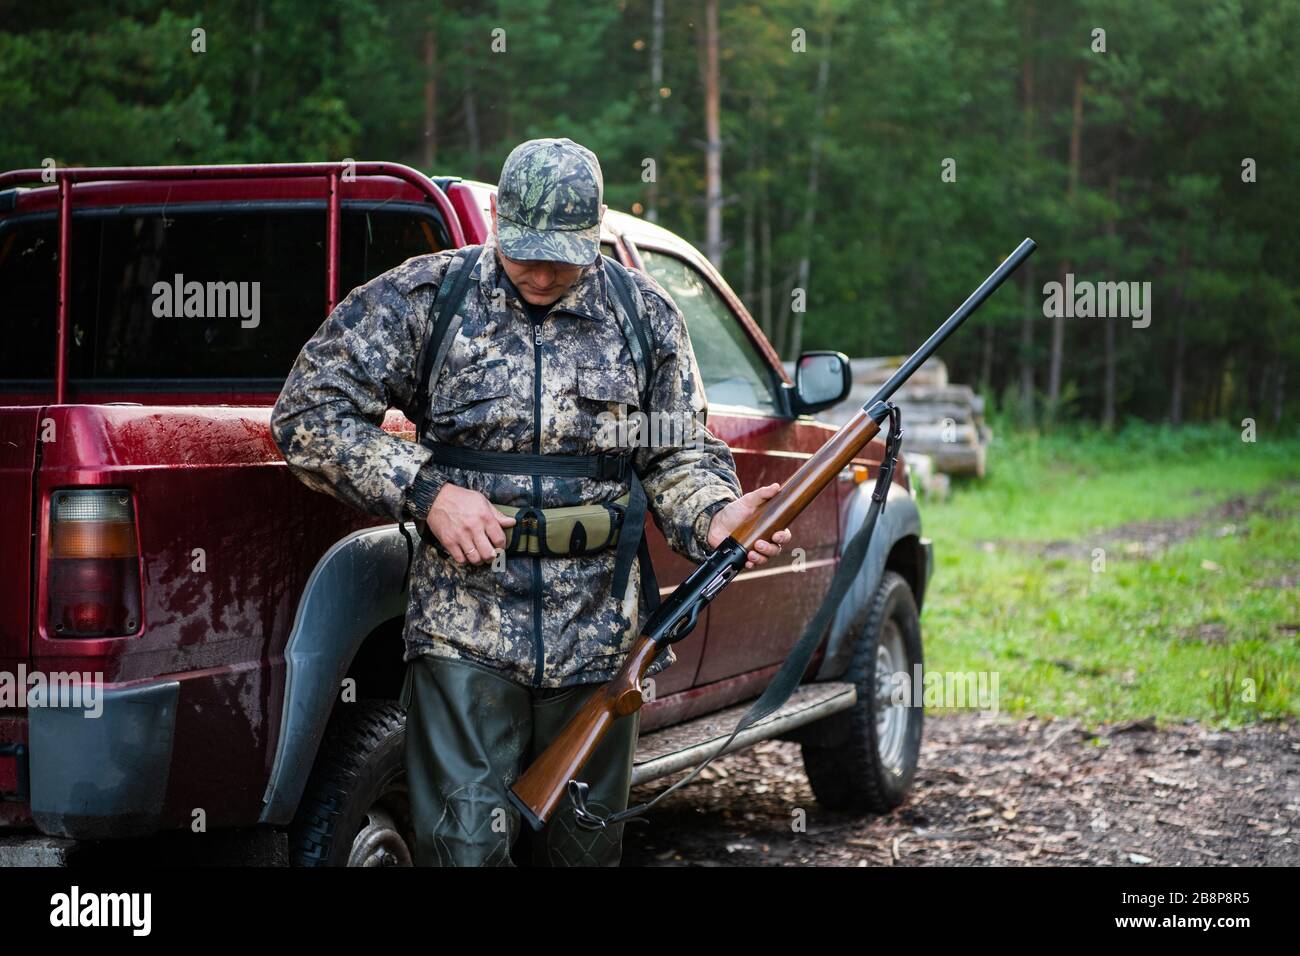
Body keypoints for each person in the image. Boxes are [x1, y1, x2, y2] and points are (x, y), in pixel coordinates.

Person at [271, 137, 790, 866]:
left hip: (599, 637)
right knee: (463, 850)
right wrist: (427, 493)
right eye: (525, 252)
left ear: (596, 234)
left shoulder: (644, 317)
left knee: (583, 851)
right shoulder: (426, 299)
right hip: (465, 629)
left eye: (563, 255)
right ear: (497, 226)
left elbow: (678, 452)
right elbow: (307, 415)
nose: (543, 272)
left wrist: (715, 515)